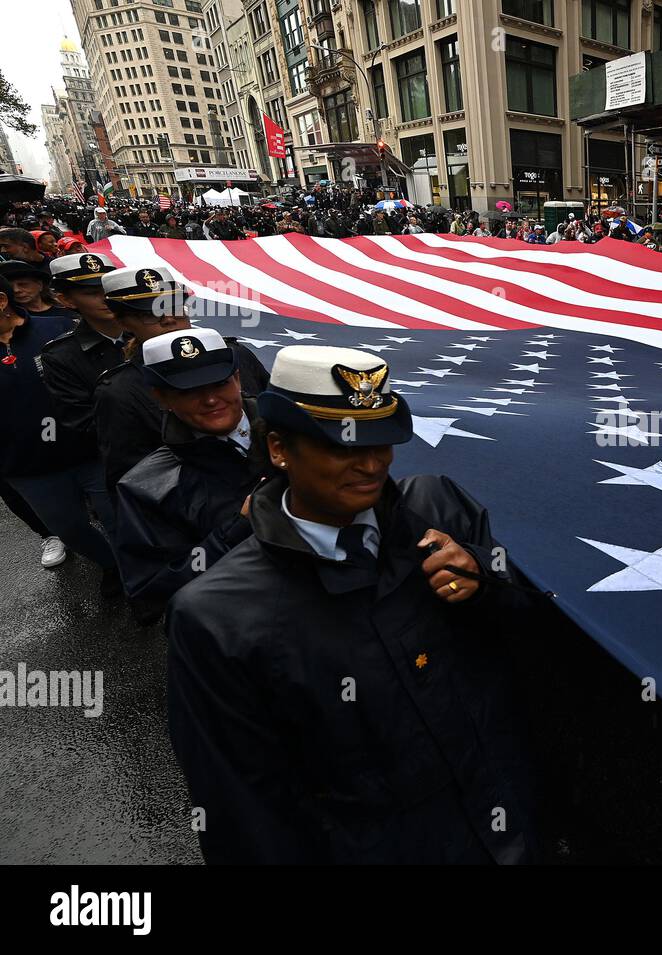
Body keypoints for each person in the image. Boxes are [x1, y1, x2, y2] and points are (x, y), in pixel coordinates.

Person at [167, 344, 540, 863]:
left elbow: (532, 644)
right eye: (341, 447)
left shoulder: (438, 506)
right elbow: (241, 806)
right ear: (278, 448)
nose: (370, 465)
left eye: (382, 442)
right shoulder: (214, 617)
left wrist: (485, 577)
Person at [114, 328, 266, 602]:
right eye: (190, 390)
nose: (210, 400)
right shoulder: (146, 488)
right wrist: (238, 530)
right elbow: (151, 589)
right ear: (161, 397)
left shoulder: (299, 431)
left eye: (219, 383)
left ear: (237, 378)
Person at [95, 264, 270, 493]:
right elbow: (136, 483)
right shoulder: (119, 391)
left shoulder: (234, 355)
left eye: (175, 307)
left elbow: (275, 411)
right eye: (150, 313)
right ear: (123, 322)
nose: (168, 319)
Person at [0, 275, 119, 589]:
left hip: (91, 451)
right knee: (70, 530)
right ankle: (111, 565)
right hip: (28, 468)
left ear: (1, 301)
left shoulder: (61, 329)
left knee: (120, 519)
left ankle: (137, 576)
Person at [39, 253, 126, 450]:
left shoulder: (149, 335)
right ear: (66, 300)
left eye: (110, 290)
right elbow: (82, 421)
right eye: (92, 293)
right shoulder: (60, 356)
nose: (106, 299)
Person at [0, 260, 76, 319]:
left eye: (23, 284)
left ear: (40, 285)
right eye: (10, 287)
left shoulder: (67, 307)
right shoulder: (12, 319)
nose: (16, 290)